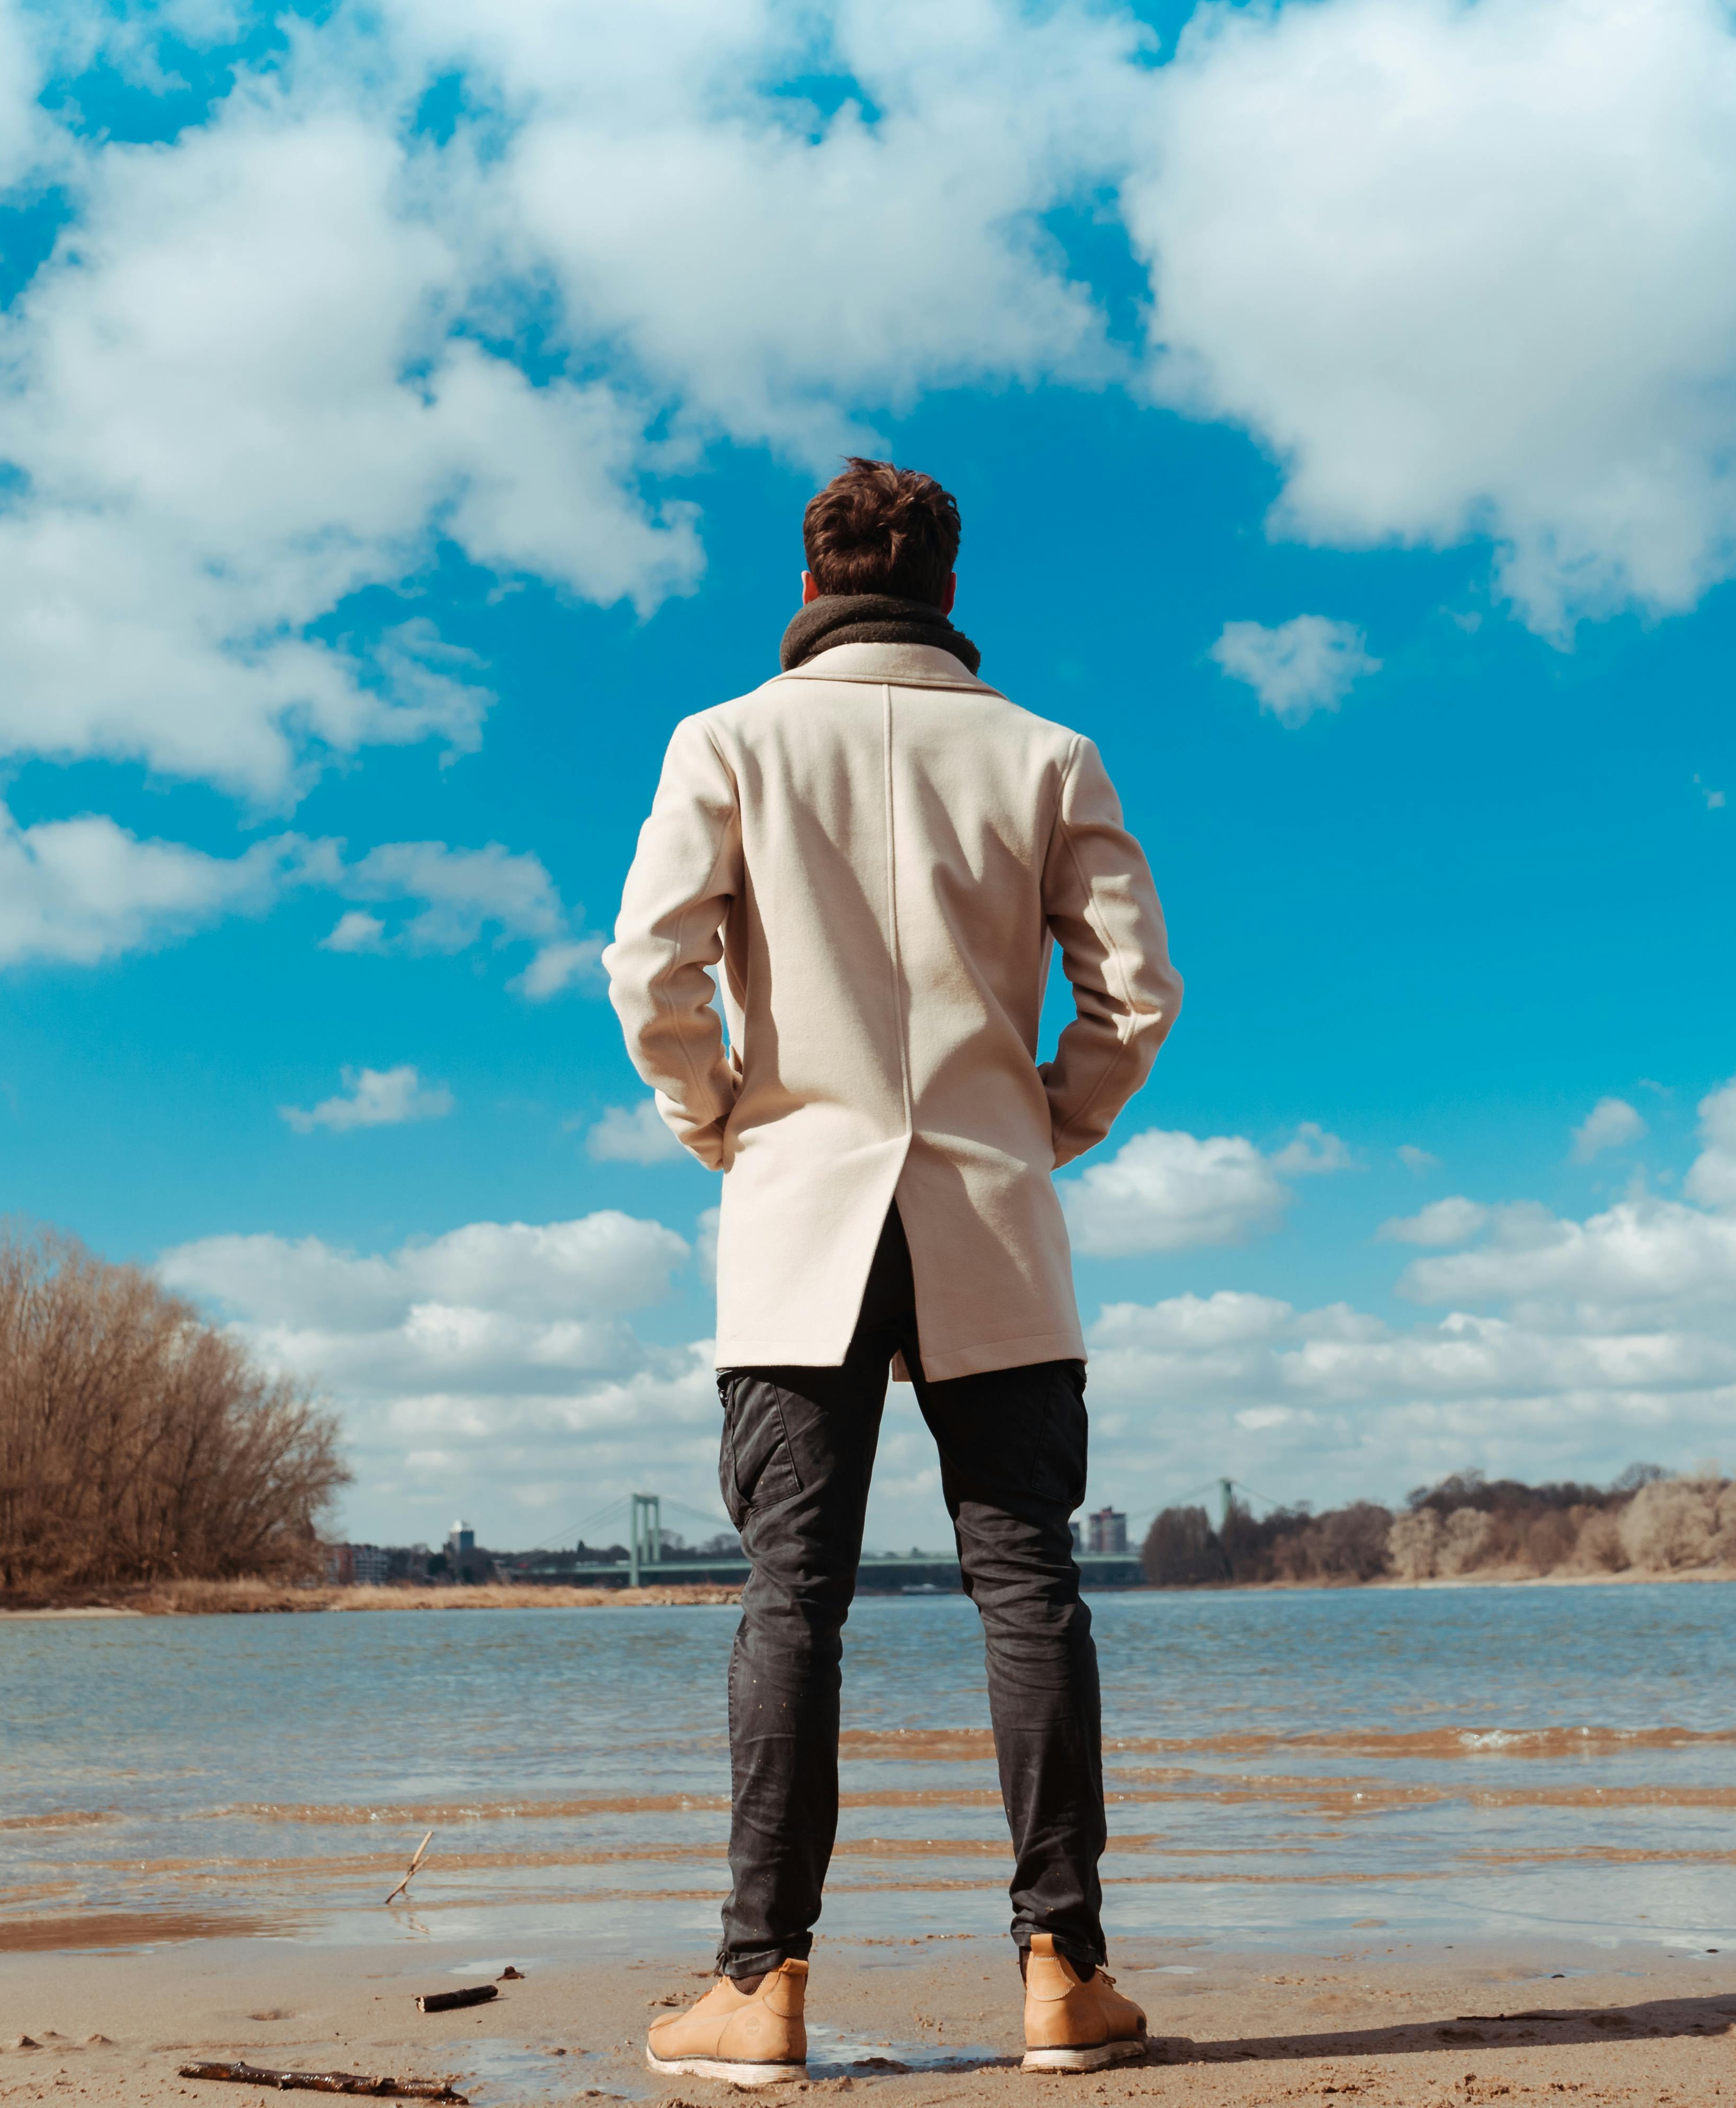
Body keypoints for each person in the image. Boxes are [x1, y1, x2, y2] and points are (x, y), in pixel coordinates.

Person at [603, 458, 1180, 2082]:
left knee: (792, 1600)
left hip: (804, 1219)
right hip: (991, 1216)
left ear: (810, 576)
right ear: (943, 581)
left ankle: (761, 1989)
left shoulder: (724, 741)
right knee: (1031, 1589)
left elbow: (651, 968)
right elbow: (1136, 993)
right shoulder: (1046, 753)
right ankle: (1064, 1972)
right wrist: (1043, 1124)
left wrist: (725, 1126)